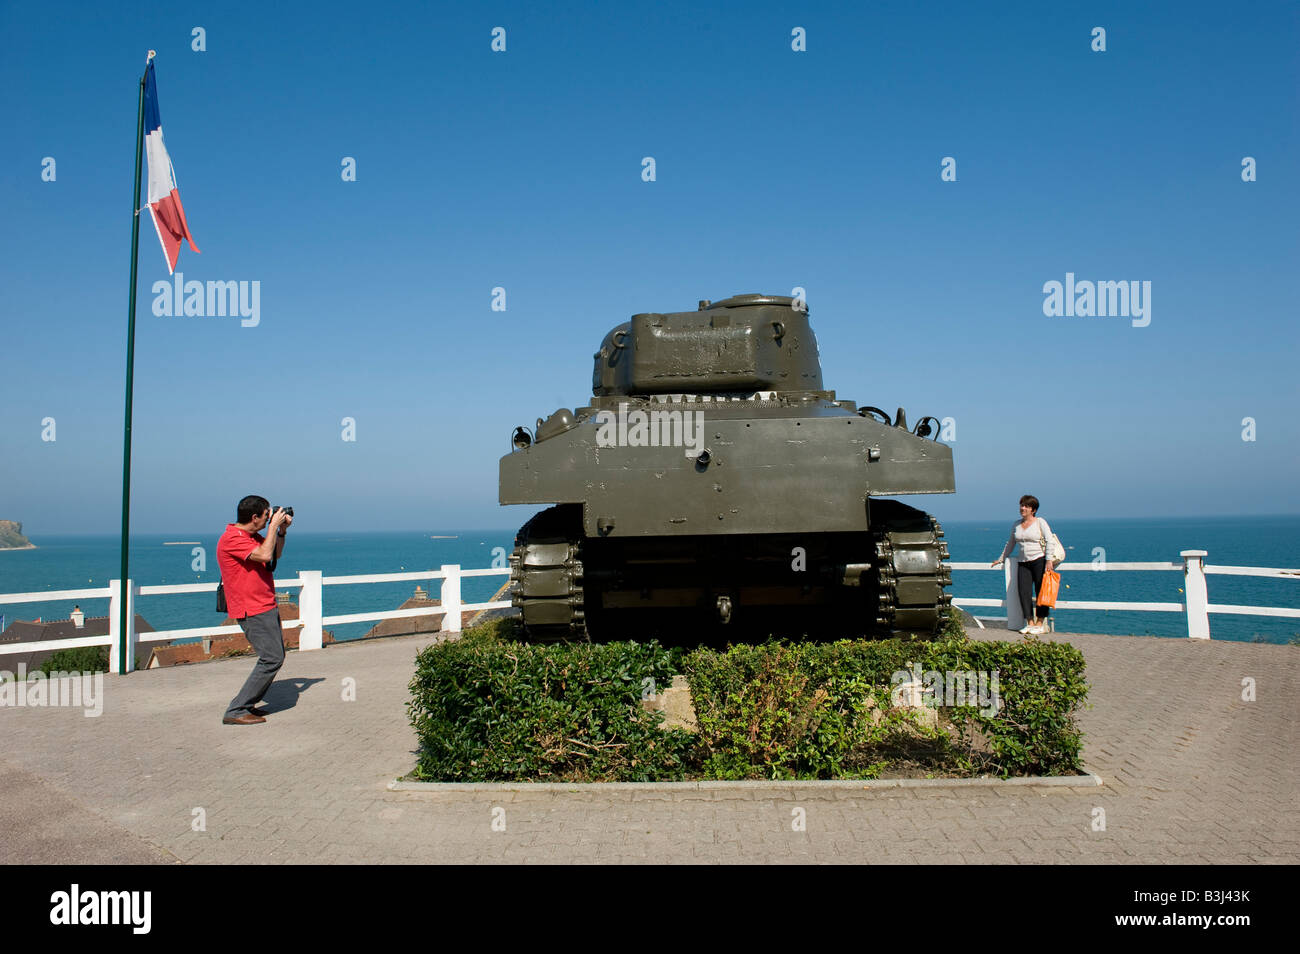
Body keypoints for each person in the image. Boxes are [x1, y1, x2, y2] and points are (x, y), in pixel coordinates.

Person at [218, 495, 293, 725]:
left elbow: (275, 554)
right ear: (254, 517)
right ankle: (237, 709)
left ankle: (246, 705)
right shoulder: (232, 538)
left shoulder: (251, 536)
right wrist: (273, 527)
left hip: (264, 604)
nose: (268, 518)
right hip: (252, 608)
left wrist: (280, 531)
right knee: (272, 658)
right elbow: (263, 555)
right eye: (266, 515)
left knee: (274, 657)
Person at [991, 494, 1056, 635]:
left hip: (1039, 560)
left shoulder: (1040, 522)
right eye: (1021, 505)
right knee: (1023, 593)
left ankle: (1040, 623)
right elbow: (1011, 543)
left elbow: (1049, 540)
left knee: (1041, 592)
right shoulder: (1016, 524)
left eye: (1026, 506)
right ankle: (1030, 623)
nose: (1022, 508)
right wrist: (1002, 558)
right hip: (1023, 562)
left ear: (1033, 509)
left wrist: (1049, 560)